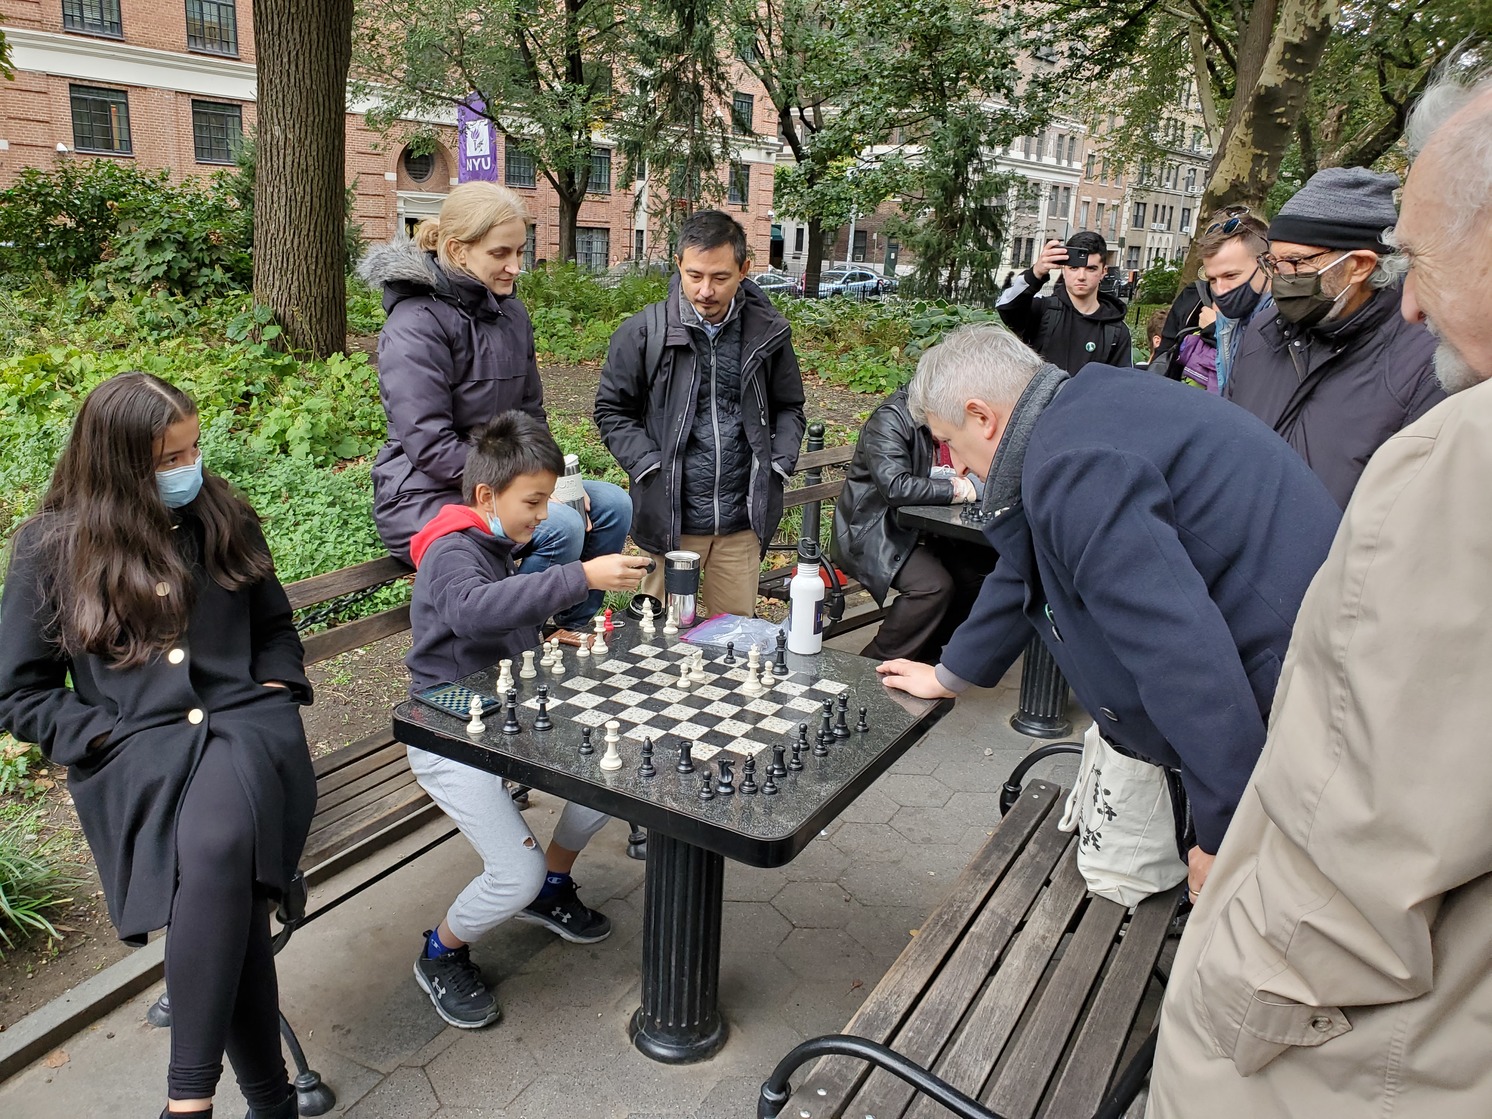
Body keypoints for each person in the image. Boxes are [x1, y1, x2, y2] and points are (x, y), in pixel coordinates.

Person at [1146, 69, 1492, 1119]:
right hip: (1263, 657)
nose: (1418, 294)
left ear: (1360, 267)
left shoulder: (1438, 411)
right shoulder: (1262, 341)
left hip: (1341, 1035)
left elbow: (1367, 840)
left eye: (1294, 267)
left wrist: (1231, 969)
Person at [876, 324, 1339, 890]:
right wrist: (951, 674)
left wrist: (1224, 837)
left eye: (949, 442)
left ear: (982, 416)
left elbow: (1180, 656)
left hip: (1294, 692)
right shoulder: (1082, 408)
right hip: (1295, 650)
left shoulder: (1074, 467)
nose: (959, 467)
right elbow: (1026, 562)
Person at [0, 373, 315, 1119]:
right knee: (222, 862)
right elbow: (18, 692)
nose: (190, 466)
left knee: (215, 844)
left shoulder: (220, 511)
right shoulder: (51, 547)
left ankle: (188, 1103)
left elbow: (274, 629)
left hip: (249, 730)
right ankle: (269, 1101)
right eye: (169, 457)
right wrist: (99, 732)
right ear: (115, 465)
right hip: (140, 753)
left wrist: (277, 686)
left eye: (193, 447)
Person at [403, 411, 652, 1029]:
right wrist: (580, 575)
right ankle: (441, 951)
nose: (543, 516)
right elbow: (468, 611)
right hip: (446, 728)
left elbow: (500, 620)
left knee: (615, 769)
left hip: (503, 713)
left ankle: (552, 885)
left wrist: (545, 632)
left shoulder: (495, 543)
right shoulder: (451, 549)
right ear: (486, 496)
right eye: (534, 502)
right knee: (512, 872)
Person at [359, 182, 630, 630]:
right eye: (502, 253)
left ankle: (573, 626)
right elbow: (428, 445)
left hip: (501, 480)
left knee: (611, 505)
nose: (515, 267)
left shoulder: (512, 315)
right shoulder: (415, 323)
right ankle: (519, 638)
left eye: (521, 251)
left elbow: (532, 415)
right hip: (424, 494)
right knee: (558, 525)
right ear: (457, 250)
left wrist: (558, 478)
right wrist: (521, 491)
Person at [594, 210, 806, 618]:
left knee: (733, 644)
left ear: (744, 269)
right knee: (657, 647)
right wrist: (649, 465)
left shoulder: (768, 334)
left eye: (720, 277)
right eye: (694, 275)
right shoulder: (643, 333)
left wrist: (777, 463)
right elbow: (612, 410)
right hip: (669, 520)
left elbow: (789, 407)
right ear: (678, 265)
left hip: (739, 523)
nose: (705, 290)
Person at [1225, 167, 1444, 507]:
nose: (1281, 278)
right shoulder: (1264, 330)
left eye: (1295, 263)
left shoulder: (1425, 366)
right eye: (1274, 262)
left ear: (1359, 264)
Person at [829, 386, 992, 662]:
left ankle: (924, 657)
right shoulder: (891, 418)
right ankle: (871, 668)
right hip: (874, 532)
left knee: (976, 573)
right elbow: (896, 487)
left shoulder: (950, 413)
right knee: (931, 586)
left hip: (925, 530)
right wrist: (964, 488)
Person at [996, 231, 1132, 372]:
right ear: (1063, 269)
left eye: (1090, 269)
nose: (1081, 276)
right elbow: (1006, 308)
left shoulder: (1116, 330)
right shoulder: (1042, 309)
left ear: (1103, 272)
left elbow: (1121, 384)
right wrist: (1036, 272)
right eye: (1074, 268)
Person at [1196, 206, 1272, 393]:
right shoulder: (1231, 321)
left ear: (1267, 264)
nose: (1220, 290)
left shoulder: (1287, 328)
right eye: (1212, 279)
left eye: (1231, 276)